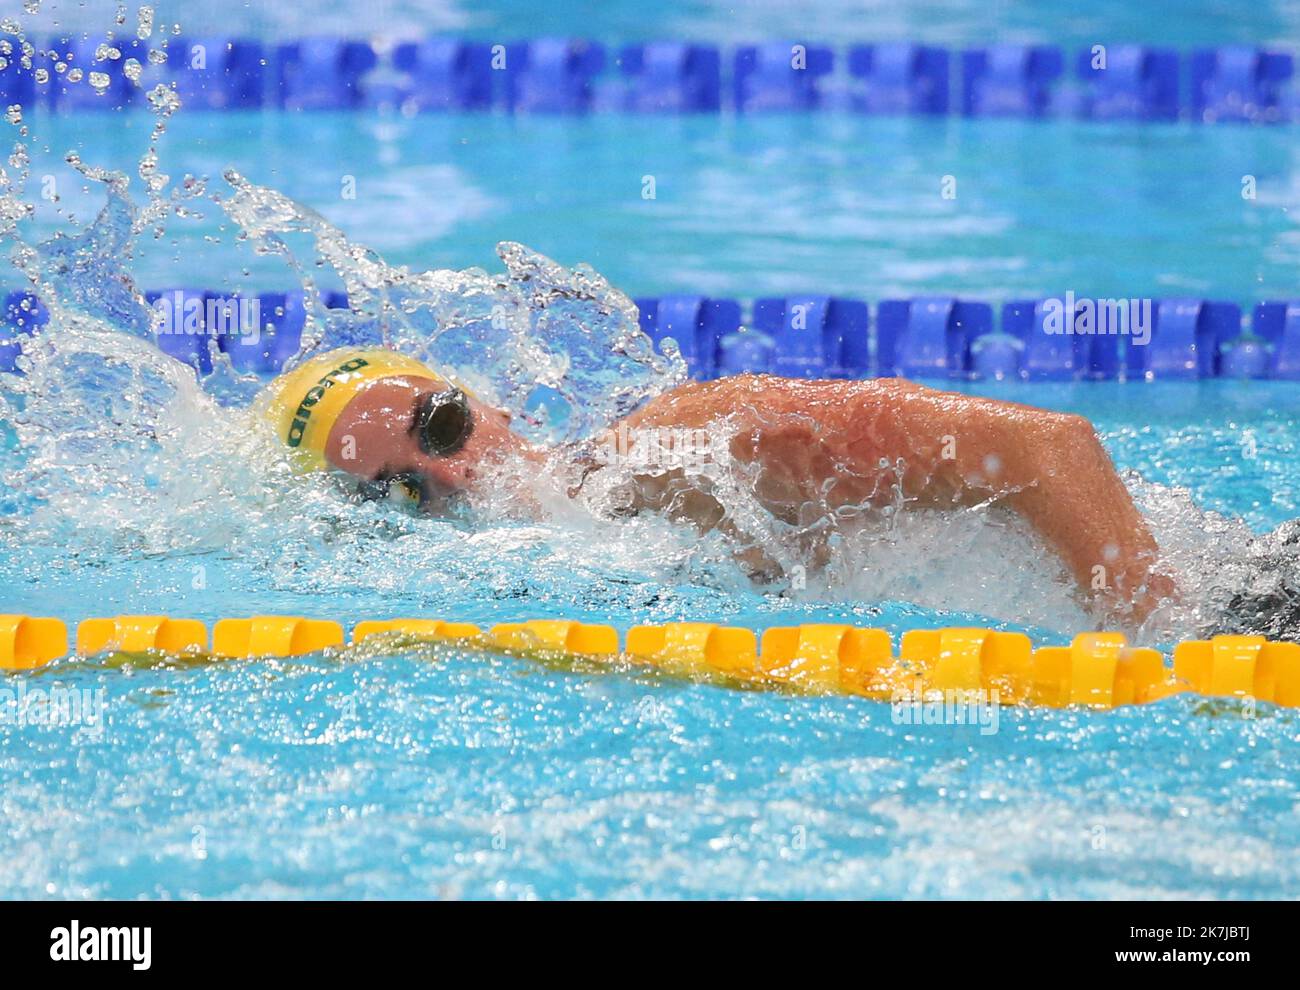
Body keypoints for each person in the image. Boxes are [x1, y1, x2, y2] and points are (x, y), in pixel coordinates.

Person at [259, 347, 1172, 624]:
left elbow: (1052, 449)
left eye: (442, 423)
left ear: (487, 398)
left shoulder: (684, 443)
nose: (455, 470)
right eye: (405, 494)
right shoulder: (562, 572)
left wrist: (1160, 645)